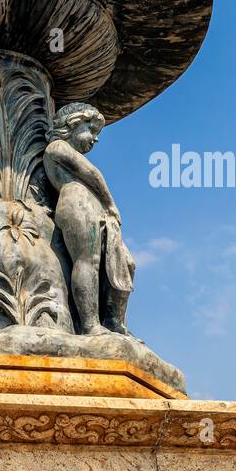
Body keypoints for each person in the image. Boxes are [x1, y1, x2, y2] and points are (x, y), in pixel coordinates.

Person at [42, 102, 135, 335]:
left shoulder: (63, 149)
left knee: (125, 264)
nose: (95, 138)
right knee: (87, 262)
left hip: (92, 207)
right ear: (72, 124)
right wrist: (111, 203)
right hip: (76, 202)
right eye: (91, 129)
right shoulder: (57, 147)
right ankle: (90, 324)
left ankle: (113, 321)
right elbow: (91, 173)